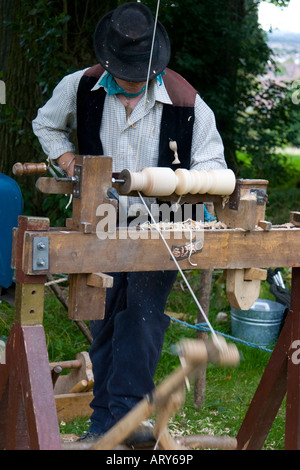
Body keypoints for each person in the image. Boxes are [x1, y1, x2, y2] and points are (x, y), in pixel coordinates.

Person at [32, 2, 227, 446]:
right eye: (124, 73)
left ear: (155, 64)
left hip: (162, 224)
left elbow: (212, 164)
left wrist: (176, 184)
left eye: (140, 75)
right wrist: (68, 161)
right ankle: (104, 424)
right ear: (108, 59)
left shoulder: (185, 101)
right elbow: (46, 125)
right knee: (103, 317)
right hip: (98, 221)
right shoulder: (80, 87)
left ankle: (128, 422)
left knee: (139, 315)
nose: (132, 83)